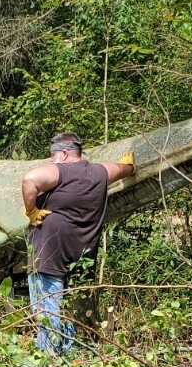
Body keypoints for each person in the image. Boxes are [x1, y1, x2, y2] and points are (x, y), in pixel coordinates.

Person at [20, 132, 135, 354]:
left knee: (47, 312)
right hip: (81, 254)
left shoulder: (61, 170)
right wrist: (129, 168)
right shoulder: (100, 172)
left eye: (53, 156)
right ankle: (68, 363)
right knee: (68, 310)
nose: (51, 161)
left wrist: (31, 210)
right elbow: (123, 169)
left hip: (50, 253)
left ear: (63, 154)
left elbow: (29, 180)